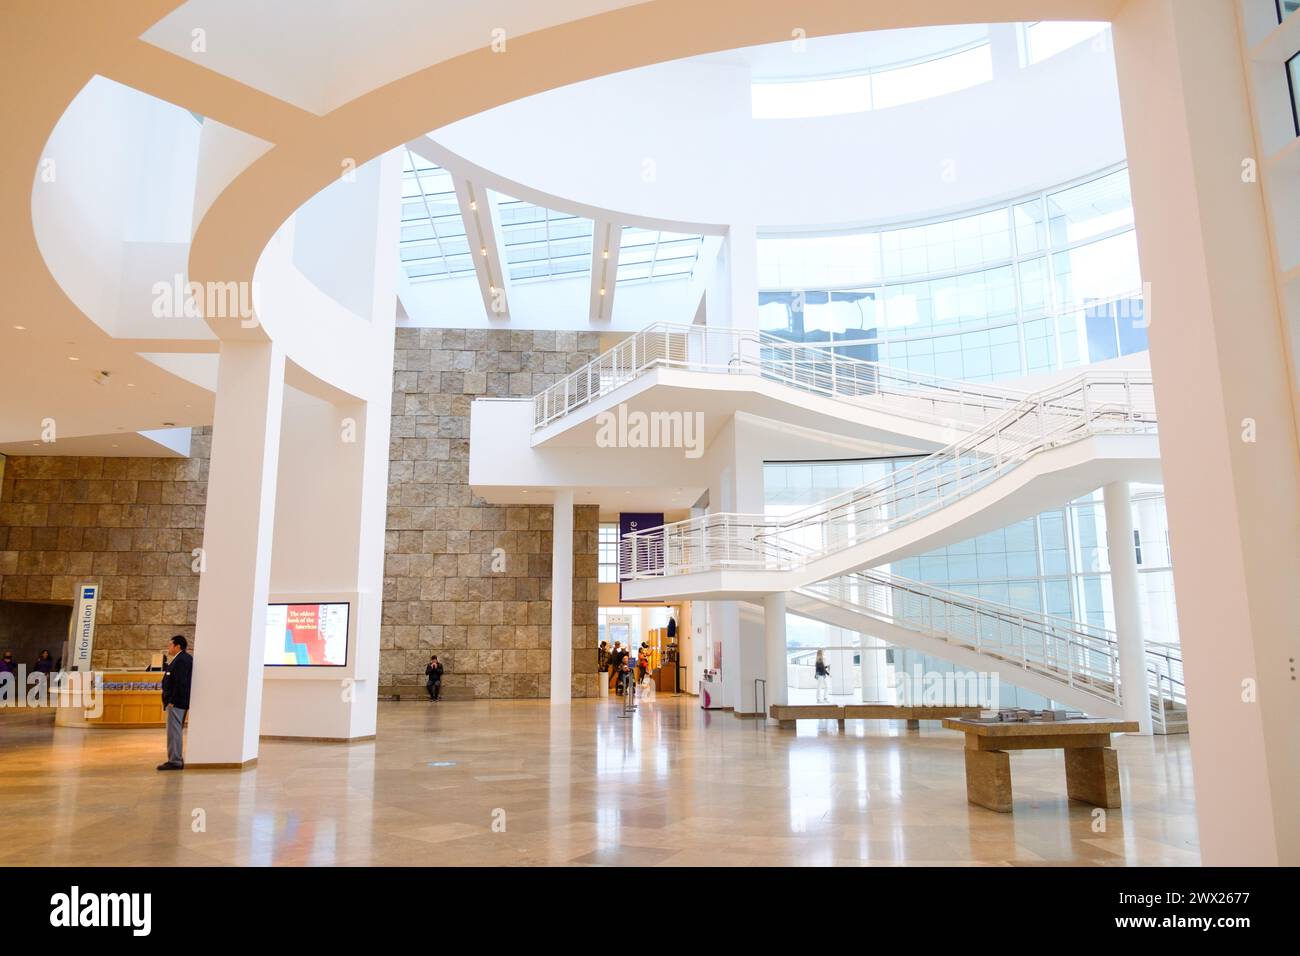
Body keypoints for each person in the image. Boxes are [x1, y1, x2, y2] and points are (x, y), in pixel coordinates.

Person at [158, 635, 192, 771]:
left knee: (174, 731)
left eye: (170, 645)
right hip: (176, 702)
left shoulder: (182, 660)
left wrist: (172, 700)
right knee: (175, 731)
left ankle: (175, 760)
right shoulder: (180, 659)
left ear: (178, 646)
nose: (168, 648)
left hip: (176, 703)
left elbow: (181, 682)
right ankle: (175, 758)